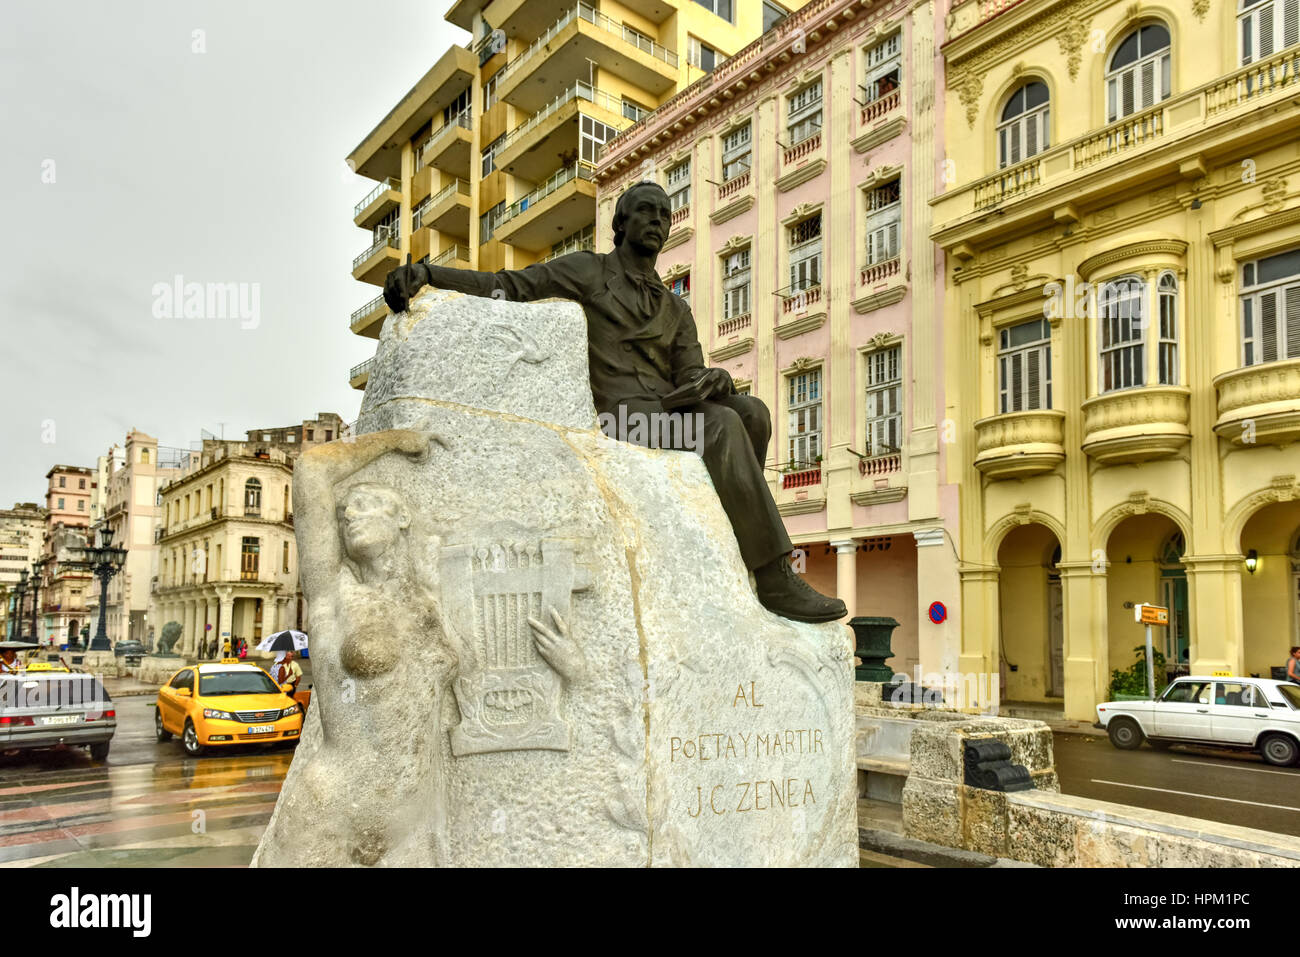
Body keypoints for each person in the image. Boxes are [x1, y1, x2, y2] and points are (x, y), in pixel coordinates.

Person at [383, 181, 847, 623]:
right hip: (621, 418)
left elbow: (689, 374)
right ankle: (773, 577)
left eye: (665, 214)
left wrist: (713, 380)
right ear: (620, 224)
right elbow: (510, 284)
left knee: (752, 413)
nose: (658, 221)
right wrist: (429, 275)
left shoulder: (674, 307)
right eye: (646, 211)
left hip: (666, 413)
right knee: (722, 425)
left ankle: (731, 538)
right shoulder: (589, 270)